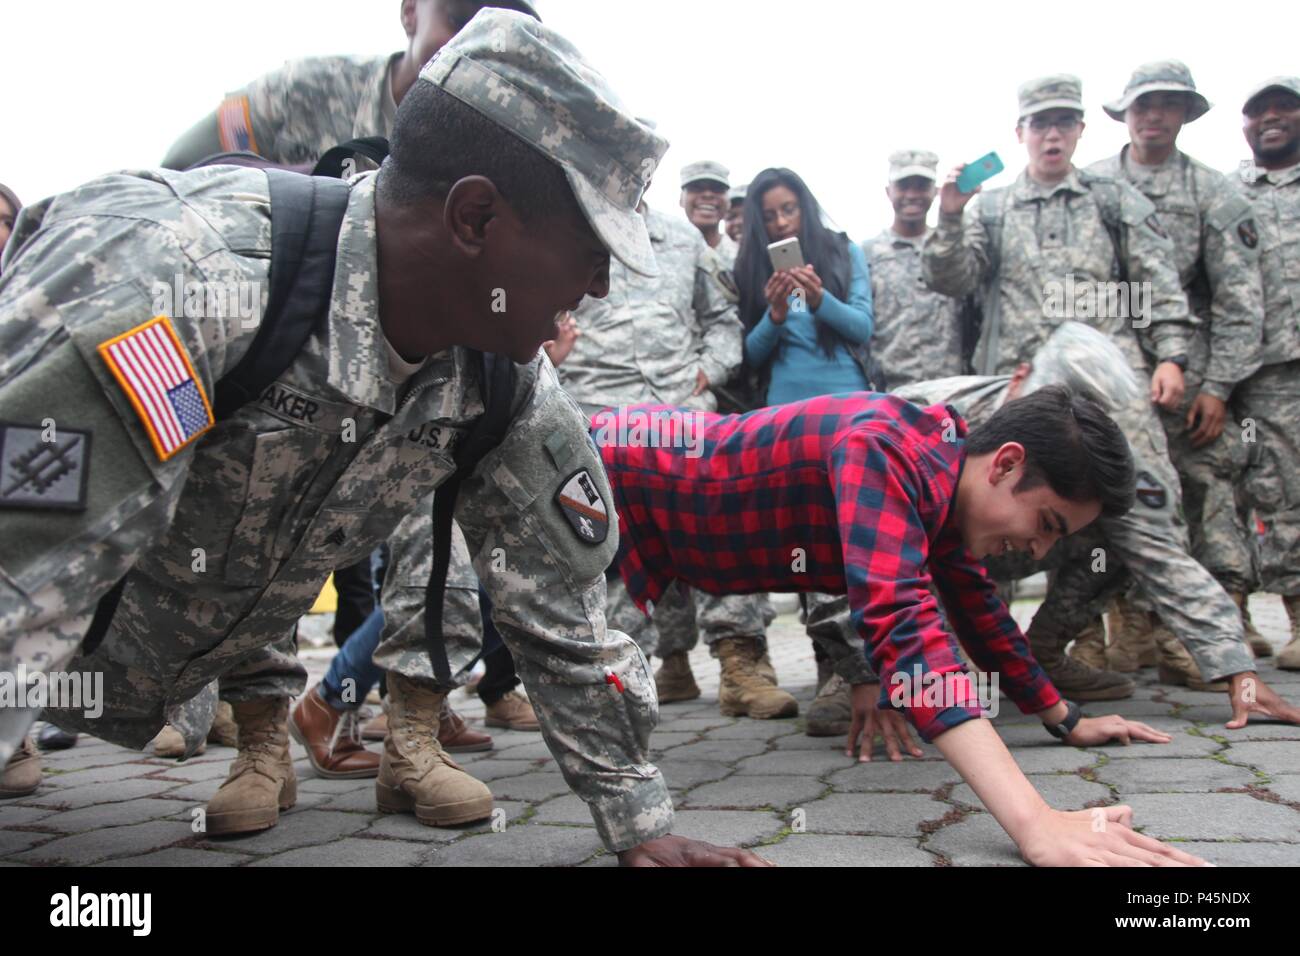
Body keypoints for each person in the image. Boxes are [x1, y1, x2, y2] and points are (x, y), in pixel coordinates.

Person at [0, 9, 768, 867]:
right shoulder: (187, 276)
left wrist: (640, 828)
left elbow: (563, 617)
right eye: (591, 249)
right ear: (474, 218)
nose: (599, 286)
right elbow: (15, 564)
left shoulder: (501, 380)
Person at [591, 381, 1210, 866]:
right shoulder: (886, 444)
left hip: (658, 517)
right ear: (1006, 464)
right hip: (607, 472)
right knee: (554, 647)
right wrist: (1035, 822)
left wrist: (1064, 718)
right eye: (1046, 524)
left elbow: (979, 612)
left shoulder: (939, 474)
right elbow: (903, 626)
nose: (1038, 551)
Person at [923, 73, 1193, 702]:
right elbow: (949, 278)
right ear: (1020, 133)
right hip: (1018, 401)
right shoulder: (991, 207)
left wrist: (1172, 356)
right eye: (1039, 123)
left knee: (1115, 515)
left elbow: (1156, 280)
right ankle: (962, 659)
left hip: (1104, 394)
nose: (1051, 133)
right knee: (983, 522)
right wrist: (951, 215)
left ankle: (1050, 649)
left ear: (1079, 130)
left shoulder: (1111, 196)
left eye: (1063, 122)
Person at [892, 323, 1299, 731]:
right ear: (1019, 377)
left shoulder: (1101, 455)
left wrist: (1238, 670)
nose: (1040, 551)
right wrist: (863, 670)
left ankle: (1043, 654)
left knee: (1120, 537)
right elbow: (844, 536)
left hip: (976, 559)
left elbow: (1163, 557)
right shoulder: (921, 416)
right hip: (898, 558)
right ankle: (860, 672)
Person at [558, 167, 789, 720]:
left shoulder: (682, 239)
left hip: (680, 408)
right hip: (596, 408)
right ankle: (631, 672)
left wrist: (709, 369)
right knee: (609, 546)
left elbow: (722, 320)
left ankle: (741, 662)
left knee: (723, 525)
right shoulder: (566, 230)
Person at [1073, 61, 1268, 680]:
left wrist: (1217, 387)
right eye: (1142, 104)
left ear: (1187, 112)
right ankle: (1122, 627)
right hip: (1107, 376)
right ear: (1125, 112)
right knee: (1112, 500)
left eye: (1167, 104)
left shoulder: (1214, 192)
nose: (1153, 115)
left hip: (1190, 380)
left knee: (1206, 497)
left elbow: (1239, 298)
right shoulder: (1092, 185)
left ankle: (1211, 632)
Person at [734, 166, 875, 731]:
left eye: (788, 210)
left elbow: (862, 328)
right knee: (806, 546)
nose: (780, 221)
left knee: (857, 540)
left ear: (806, 209)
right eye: (768, 215)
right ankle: (832, 669)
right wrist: (772, 315)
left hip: (851, 414)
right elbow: (748, 355)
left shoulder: (845, 254)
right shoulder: (748, 268)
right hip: (786, 422)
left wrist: (820, 300)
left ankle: (868, 665)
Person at [161, 0, 540, 169]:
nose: (473, 49)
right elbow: (185, 164)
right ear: (410, 12)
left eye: (496, 43)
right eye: (460, 22)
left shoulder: (488, 155)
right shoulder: (305, 90)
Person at [1230, 76, 1300, 672]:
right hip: (1249, 372)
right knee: (1252, 489)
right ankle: (1238, 616)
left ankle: (1298, 616)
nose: (1271, 118)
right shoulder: (1229, 194)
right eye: (1259, 111)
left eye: (1285, 107)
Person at [864, 150, 965, 388]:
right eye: (903, 186)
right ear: (888, 192)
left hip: (953, 389)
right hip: (892, 392)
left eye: (921, 186)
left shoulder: (952, 251)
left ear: (936, 191)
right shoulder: (867, 254)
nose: (912, 195)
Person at [679, 160, 739, 266]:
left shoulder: (743, 258)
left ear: (728, 202)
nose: (707, 194)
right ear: (681, 200)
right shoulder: (658, 249)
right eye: (696, 188)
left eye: (717, 188)